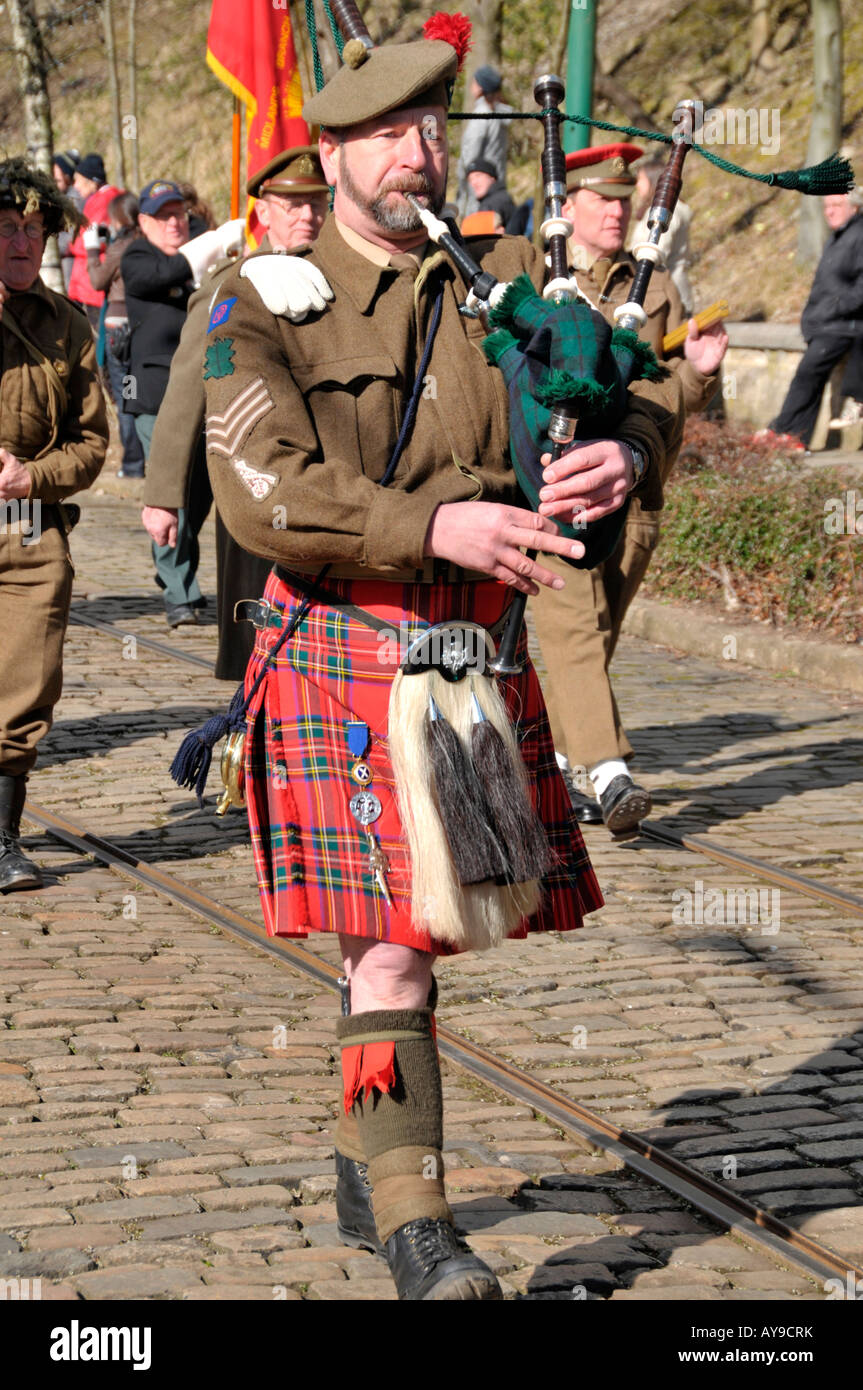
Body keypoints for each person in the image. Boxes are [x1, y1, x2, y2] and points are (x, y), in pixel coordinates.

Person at [201, 26, 684, 1300]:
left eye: (431, 130)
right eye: (392, 137)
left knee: (426, 941)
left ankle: (374, 1145)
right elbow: (259, 493)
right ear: (338, 156)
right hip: (345, 649)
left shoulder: (508, 281)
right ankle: (419, 1228)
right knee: (393, 950)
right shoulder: (265, 301)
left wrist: (624, 450)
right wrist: (431, 524)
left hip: (479, 653)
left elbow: (639, 383)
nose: (422, 156)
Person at [531, 144, 728, 831]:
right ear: (568, 206)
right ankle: (610, 773)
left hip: (638, 490)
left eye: (624, 200)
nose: (617, 211)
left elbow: (666, 388)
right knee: (575, 629)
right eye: (602, 199)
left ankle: (547, 764)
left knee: (595, 637)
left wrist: (699, 372)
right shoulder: (537, 274)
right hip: (557, 490)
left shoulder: (655, 283)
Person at [142, 145, 329, 678]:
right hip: (256, 485)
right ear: (262, 213)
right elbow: (186, 393)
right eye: (290, 204)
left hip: (339, 484)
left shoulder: (351, 278)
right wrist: (164, 497)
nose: (307, 215)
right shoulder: (232, 285)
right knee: (258, 642)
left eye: (317, 202)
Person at [0, 158, 108, 891]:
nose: (20, 243)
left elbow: (93, 442)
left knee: (23, 687)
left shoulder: (67, 327)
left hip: (28, 531)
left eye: (33, 231)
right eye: (6, 228)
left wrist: (33, 476)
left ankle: (3, 841)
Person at [121, 179, 244, 624]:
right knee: (167, 494)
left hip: (206, 394)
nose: (174, 222)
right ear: (144, 222)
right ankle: (180, 592)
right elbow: (161, 275)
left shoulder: (204, 261)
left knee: (199, 497)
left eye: (179, 213)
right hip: (156, 397)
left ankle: (175, 572)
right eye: (163, 215)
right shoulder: (141, 256)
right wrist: (211, 243)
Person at [760, 190, 863, 449]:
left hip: (844, 326)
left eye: (837, 204)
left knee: (807, 374)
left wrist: (834, 309)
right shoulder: (838, 236)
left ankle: (784, 430)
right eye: (826, 205)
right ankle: (794, 437)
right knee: (810, 379)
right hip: (826, 323)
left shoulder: (859, 234)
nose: (829, 211)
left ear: (855, 207)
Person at [85, 191, 146, 478]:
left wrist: (92, 250)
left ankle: (132, 463)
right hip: (141, 325)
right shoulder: (146, 243)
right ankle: (144, 458)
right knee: (138, 391)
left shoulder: (120, 248)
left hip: (116, 327)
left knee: (124, 396)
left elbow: (98, 280)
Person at [629, 155, 694, 314]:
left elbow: (658, 251)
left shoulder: (671, 212)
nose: (637, 185)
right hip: (657, 290)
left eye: (641, 180)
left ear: (653, 180)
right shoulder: (653, 210)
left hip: (670, 294)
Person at [66, 154, 122, 330]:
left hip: (91, 285)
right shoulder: (102, 198)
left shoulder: (105, 200)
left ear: (91, 180)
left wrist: (72, 245)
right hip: (87, 282)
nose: (75, 186)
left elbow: (87, 240)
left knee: (96, 339)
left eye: (78, 180)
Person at [455, 64, 514, 216]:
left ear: (481, 87)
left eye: (474, 82)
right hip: (497, 182)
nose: (471, 85)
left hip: (478, 186)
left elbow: (470, 155)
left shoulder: (481, 116)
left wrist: (463, 180)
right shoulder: (499, 114)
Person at [52, 152, 83, 292]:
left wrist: (51, 249)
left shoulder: (74, 200)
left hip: (69, 269)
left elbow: (71, 240)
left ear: (68, 177)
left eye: (57, 180)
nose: (53, 183)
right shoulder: (60, 198)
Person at [463, 157, 516, 228]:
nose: (474, 183)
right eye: (470, 179)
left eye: (478, 176)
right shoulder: (502, 196)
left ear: (492, 178)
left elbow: (482, 233)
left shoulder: (492, 203)